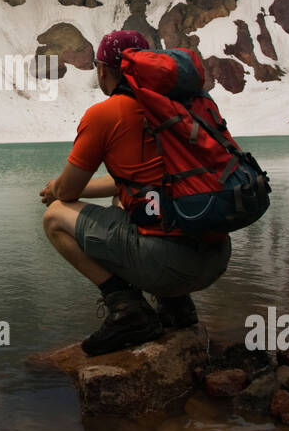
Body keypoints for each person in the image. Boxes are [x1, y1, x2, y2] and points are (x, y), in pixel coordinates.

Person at [40, 30, 233, 356]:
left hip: (167, 266)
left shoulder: (106, 114)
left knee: (55, 217)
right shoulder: (178, 107)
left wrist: (55, 190)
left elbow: (68, 191)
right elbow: (134, 182)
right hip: (216, 258)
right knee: (131, 200)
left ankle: (128, 310)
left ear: (103, 70)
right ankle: (177, 308)